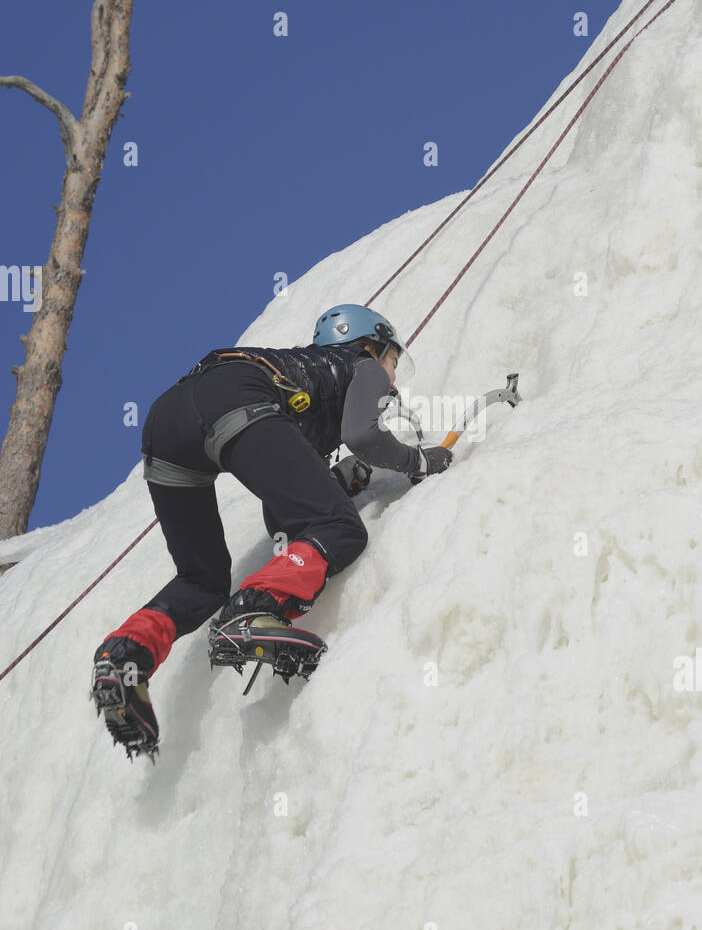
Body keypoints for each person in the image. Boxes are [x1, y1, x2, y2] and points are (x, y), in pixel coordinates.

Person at [89, 304, 452, 760]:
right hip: (234, 399)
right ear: (372, 344)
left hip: (168, 421)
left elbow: (286, 515)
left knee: (201, 580)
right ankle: (251, 614)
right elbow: (364, 435)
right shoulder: (360, 363)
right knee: (342, 528)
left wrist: (337, 483)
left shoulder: (304, 382)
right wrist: (421, 460)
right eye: (394, 363)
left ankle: (126, 654)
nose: (393, 380)